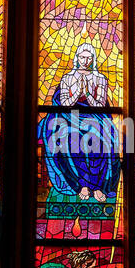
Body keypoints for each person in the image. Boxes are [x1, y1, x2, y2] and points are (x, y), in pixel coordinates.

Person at [39, 43, 121, 209]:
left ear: (93, 59)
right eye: (82, 57)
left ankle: (98, 186)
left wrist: (88, 91)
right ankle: (81, 184)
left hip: (95, 116)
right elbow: (64, 103)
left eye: (89, 57)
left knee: (104, 138)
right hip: (69, 117)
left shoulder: (100, 79)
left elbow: (99, 105)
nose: (85, 61)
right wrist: (77, 91)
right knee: (69, 137)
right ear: (77, 58)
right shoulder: (67, 78)